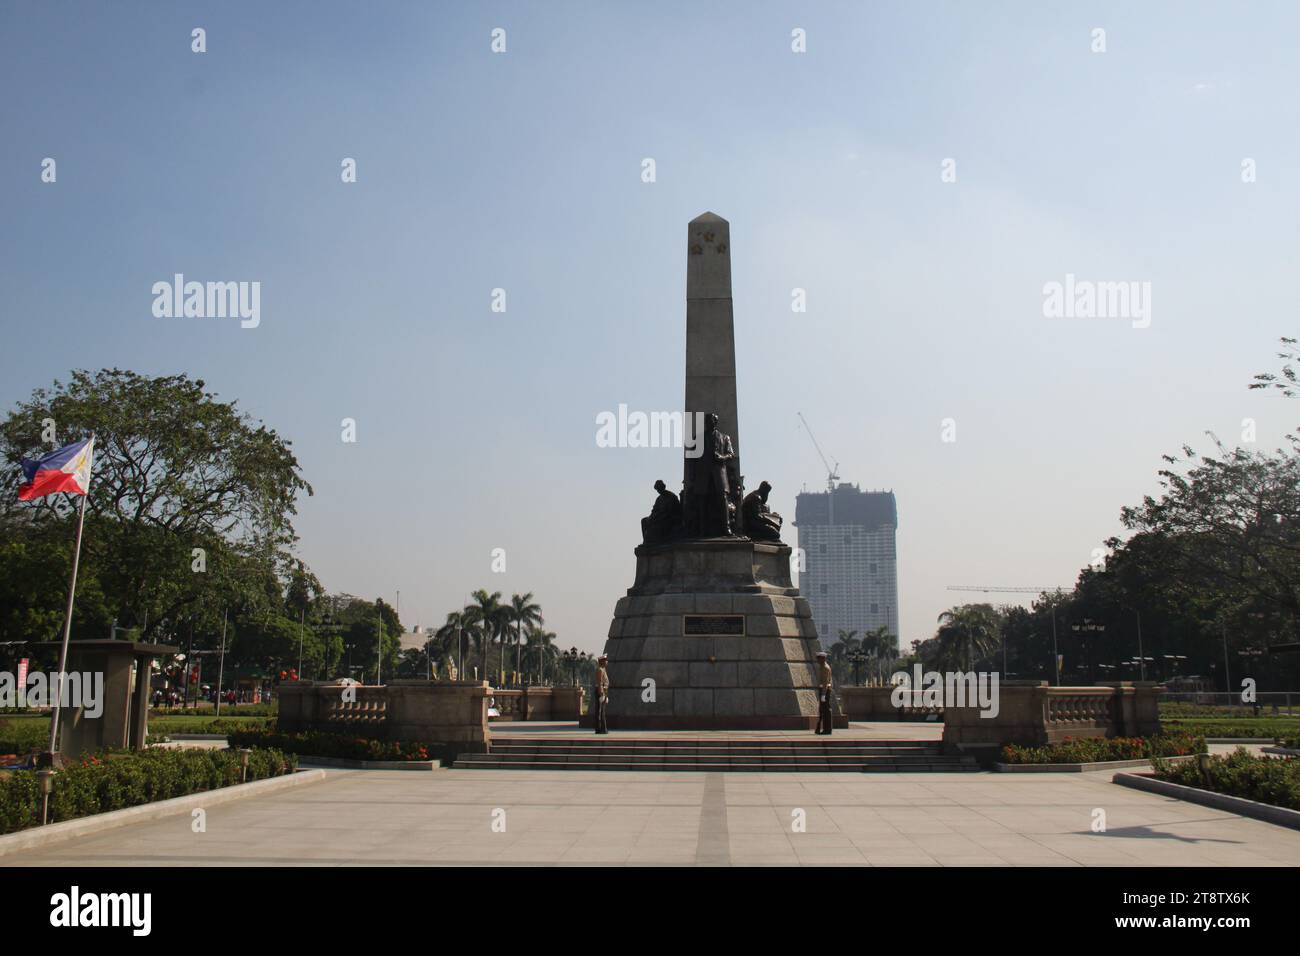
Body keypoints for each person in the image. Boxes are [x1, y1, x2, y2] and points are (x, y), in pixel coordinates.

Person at [815, 651, 834, 735]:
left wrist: (823, 694)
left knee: (826, 711)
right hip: (823, 689)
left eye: (819, 658)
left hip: (825, 690)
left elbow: (826, 682)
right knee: (823, 710)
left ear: (823, 658)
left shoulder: (825, 668)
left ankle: (827, 729)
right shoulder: (822, 667)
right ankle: (825, 728)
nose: (817, 660)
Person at [594, 655, 610, 734]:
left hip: (604, 691)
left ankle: (602, 728)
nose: (607, 662)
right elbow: (600, 682)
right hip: (601, 691)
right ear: (602, 661)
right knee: (600, 711)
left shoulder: (603, 669)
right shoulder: (600, 670)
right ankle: (600, 729)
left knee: (602, 711)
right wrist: (601, 694)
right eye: (605, 660)